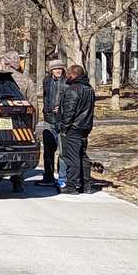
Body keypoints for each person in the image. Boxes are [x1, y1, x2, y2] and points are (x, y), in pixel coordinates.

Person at [57, 64, 96, 194]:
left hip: (74, 128)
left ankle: (72, 185)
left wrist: (64, 126)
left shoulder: (73, 90)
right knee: (82, 155)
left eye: (68, 74)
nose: (66, 76)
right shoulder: (89, 89)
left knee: (73, 156)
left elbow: (69, 111)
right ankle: (86, 184)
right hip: (85, 126)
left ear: (73, 75)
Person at [2, 51, 34, 193]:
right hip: (19, 120)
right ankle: (18, 180)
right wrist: (32, 124)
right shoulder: (25, 80)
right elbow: (33, 104)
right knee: (18, 150)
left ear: (5, 61)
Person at [36, 60, 67, 186]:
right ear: (51, 71)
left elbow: (70, 99)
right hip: (49, 120)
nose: (58, 71)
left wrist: (62, 108)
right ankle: (48, 176)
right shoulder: (46, 81)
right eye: (55, 69)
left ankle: (62, 178)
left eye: (60, 68)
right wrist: (47, 111)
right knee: (48, 151)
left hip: (62, 121)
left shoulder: (67, 82)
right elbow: (46, 99)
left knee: (63, 151)